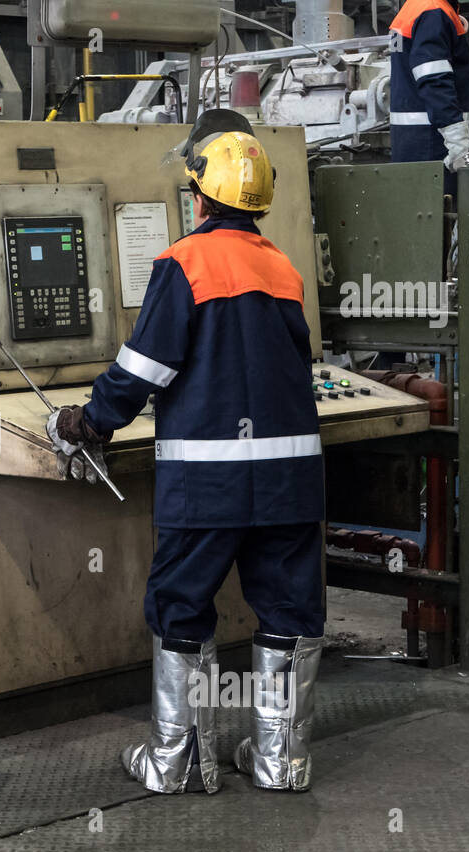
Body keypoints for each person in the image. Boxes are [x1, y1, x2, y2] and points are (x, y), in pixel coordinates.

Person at [47, 128, 326, 793]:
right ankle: (279, 763)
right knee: (289, 611)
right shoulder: (282, 268)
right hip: (290, 479)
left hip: (209, 483)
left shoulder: (184, 263)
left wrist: (89, 422)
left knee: (180, 607)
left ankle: (177, 762)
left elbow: (145, 365)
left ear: (197, 193)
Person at [388, 0, 469, 190]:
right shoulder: (433, 12)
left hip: (415, 145)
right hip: (435, 145)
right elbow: (433, 79)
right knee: (442, 214)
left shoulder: (417, 8)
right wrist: (458, 142)